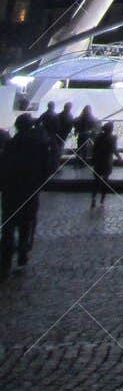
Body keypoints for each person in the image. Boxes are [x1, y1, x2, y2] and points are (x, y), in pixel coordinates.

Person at [1, 113, 52, 276]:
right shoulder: (39, 145)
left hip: (11, 193)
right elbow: (47, 168)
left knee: (8, 227)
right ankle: (22, 258)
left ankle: (5, 261)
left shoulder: (10, 145)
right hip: (30, 192)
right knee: (25, 226)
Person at [90, 123, 121, 208]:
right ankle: (102, 200)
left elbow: (94, 149)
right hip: (107, 162)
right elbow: (114, 149)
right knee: (105, 181)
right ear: (111, 129)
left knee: (96, 181)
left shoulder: (98, 137)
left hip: (99, 162)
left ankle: (93, 198)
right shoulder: (113, 138)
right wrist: (119, 157)